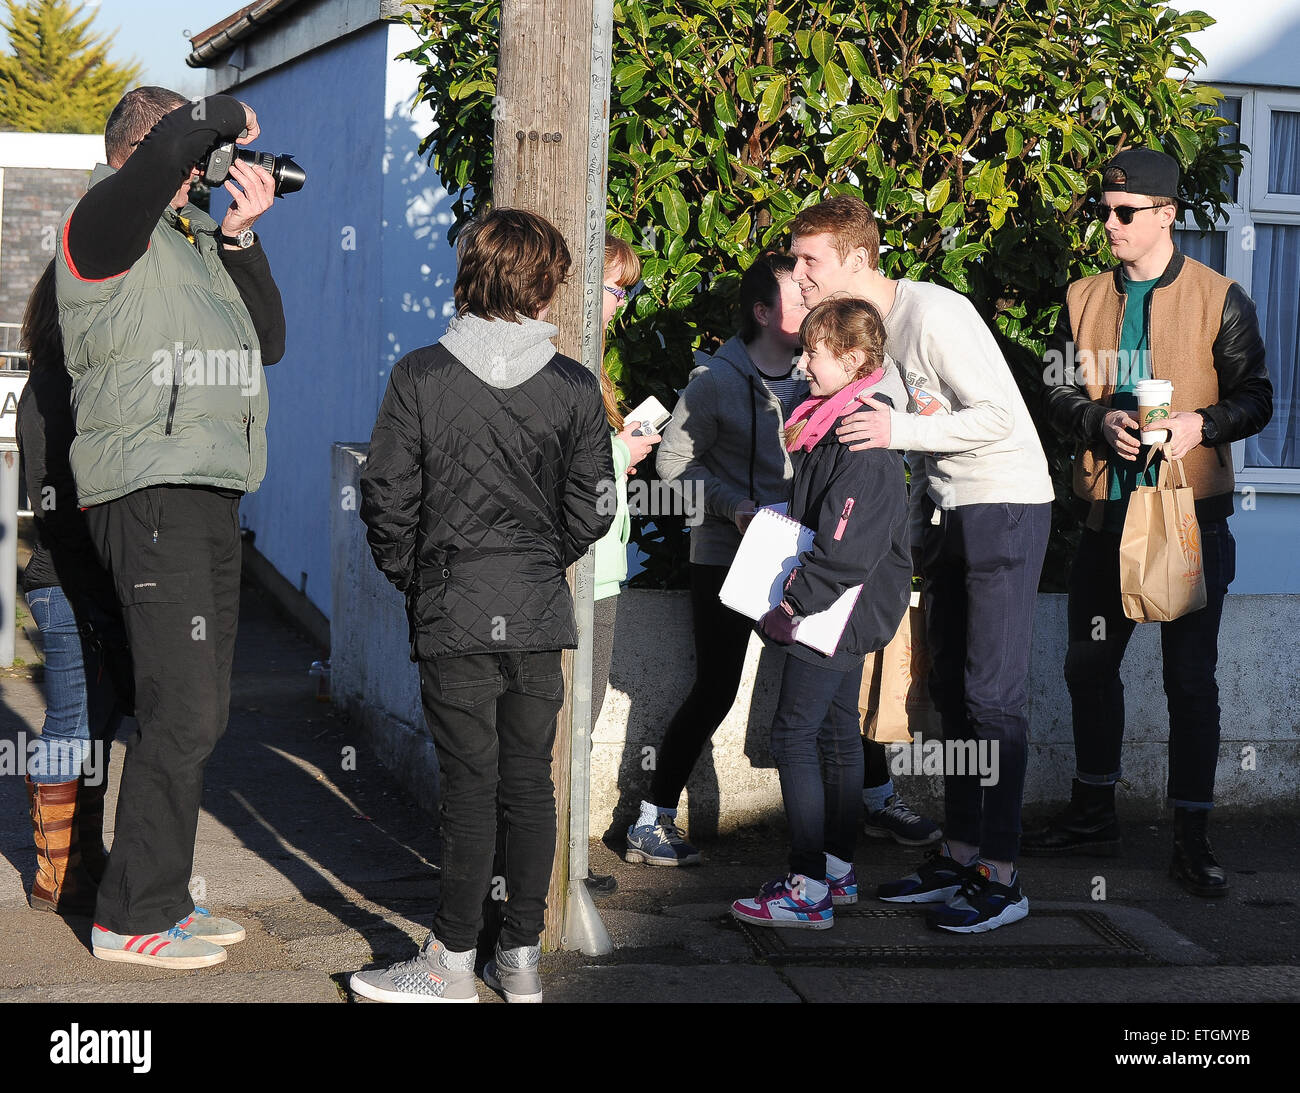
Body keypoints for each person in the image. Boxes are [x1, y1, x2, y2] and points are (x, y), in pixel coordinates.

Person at [354, 209, 613, 1003]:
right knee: (529, 782)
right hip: (535, 611)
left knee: (469, 785)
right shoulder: (575, 386)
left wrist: (421, 576)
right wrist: (535, 563)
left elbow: (384, 496)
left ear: (470, 276)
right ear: (543, 288)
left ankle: (451, 961)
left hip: (453, 609)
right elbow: (596, 504)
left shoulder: (420, 375)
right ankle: (521, 957)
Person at [56, 86, 286, 968]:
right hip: (148, 490)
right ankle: (131, 916)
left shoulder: (190, 239)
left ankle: (165, 896)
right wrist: (221, 114)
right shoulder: (102, 225)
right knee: (180, 708)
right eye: (189, 152)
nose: (201, 168)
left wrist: (241, 238)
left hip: (211, 490)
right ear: (148, 147)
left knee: (200, 711)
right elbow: (164, 156)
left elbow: (266, 344)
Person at [791, 194, 1054, 932]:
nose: (799, 275)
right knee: (953, 694)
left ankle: (1001, 875)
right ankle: (961, 854)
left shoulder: (934, 312)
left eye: (810, 260)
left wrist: (898, 428)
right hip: (945, 513)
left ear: (857, 258)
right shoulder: (870, 331)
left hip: (1003, 504)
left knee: (993, 697)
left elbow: (999, 416)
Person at [1025, 149, 1272, 896]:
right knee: (1089, 664)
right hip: (1108, 517)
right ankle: (1094, 811)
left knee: (1189, 679)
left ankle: (1192, 837)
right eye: (1104, 210)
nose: (1110, 223)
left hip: (1191, 522)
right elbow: (1055, 390)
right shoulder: (1082, 297)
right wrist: (1099, 421)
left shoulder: (1219, 297)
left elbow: (1257, 398)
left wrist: (1202, 424)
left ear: (1167, 214)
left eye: (1125, 211)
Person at [730, 297, 910, 929]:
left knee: (794, 735)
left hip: (834, 613)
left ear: (854, 359)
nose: (802, 363)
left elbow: (844, 550)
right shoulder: (834, 426)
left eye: (814, 353)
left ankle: (806, 888)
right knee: (835, 736)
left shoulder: (859, 443)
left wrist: (791, 605)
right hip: (844, 612)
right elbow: (831, 525)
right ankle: (835, 872)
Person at [625, 253, 807, 866]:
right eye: (797, 297)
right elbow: (673, 462)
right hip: (727, 554)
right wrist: (735, 508)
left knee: (829, 679)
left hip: (806, 553)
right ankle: (651, 819)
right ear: (762, 312)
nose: (812, 302)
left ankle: (878, 800)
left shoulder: (822, 372)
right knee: (716, 687)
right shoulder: (716, 380)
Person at [16, 262, 132, 915]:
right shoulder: (56, 388)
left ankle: (84, 858)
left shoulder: (69, 382)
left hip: (80, 583)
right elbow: (59, 507)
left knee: (95, 727)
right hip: (65, 583)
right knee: (70, 726)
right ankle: (56, 875)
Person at [587, 235, 658, 895]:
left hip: (601, 565)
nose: (619, 304)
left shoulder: (593, 360)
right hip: (586, 569)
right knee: (571, 721)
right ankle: (552, 868)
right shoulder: (574, 361)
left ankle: (555, 863)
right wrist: (623, 454)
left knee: (576, 719)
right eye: (614, 289)